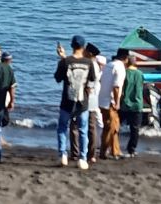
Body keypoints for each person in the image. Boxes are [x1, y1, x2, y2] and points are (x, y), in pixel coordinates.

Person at [54, 35, 97, 170]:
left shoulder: (65, 61)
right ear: (83, 47)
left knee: (62, 128)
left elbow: (58, 78)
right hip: (82, 102)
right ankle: (82, 158)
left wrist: (62, 59)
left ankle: (63, 155)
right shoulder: (89, 62)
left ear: (72, 46)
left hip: (66, 101)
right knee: (83, 130)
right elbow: (92, 80)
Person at [70, 43, 102, 163]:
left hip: (83, 97)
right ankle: (91, 154)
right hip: (93, 98)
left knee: (75, 125)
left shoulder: (87, 64)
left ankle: (75, 153)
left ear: (90, 53)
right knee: (91, 126)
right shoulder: (96, 65)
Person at [99, 48, 129, 160]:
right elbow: (116, 87)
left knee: (112, 126)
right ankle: (105, 151)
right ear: (125, 58)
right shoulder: (120, 68)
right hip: (110, 101)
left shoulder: (108, 65)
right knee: (111, 127)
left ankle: (115, 150)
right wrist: (117, 102)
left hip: (102, 99)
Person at [122, 56, 144, 157]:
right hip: (137, 104)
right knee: (135, 129)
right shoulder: (140, 74)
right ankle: (132, 149)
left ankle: (112, 145)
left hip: (125, 103)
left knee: (116, 125)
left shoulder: (125, 73)